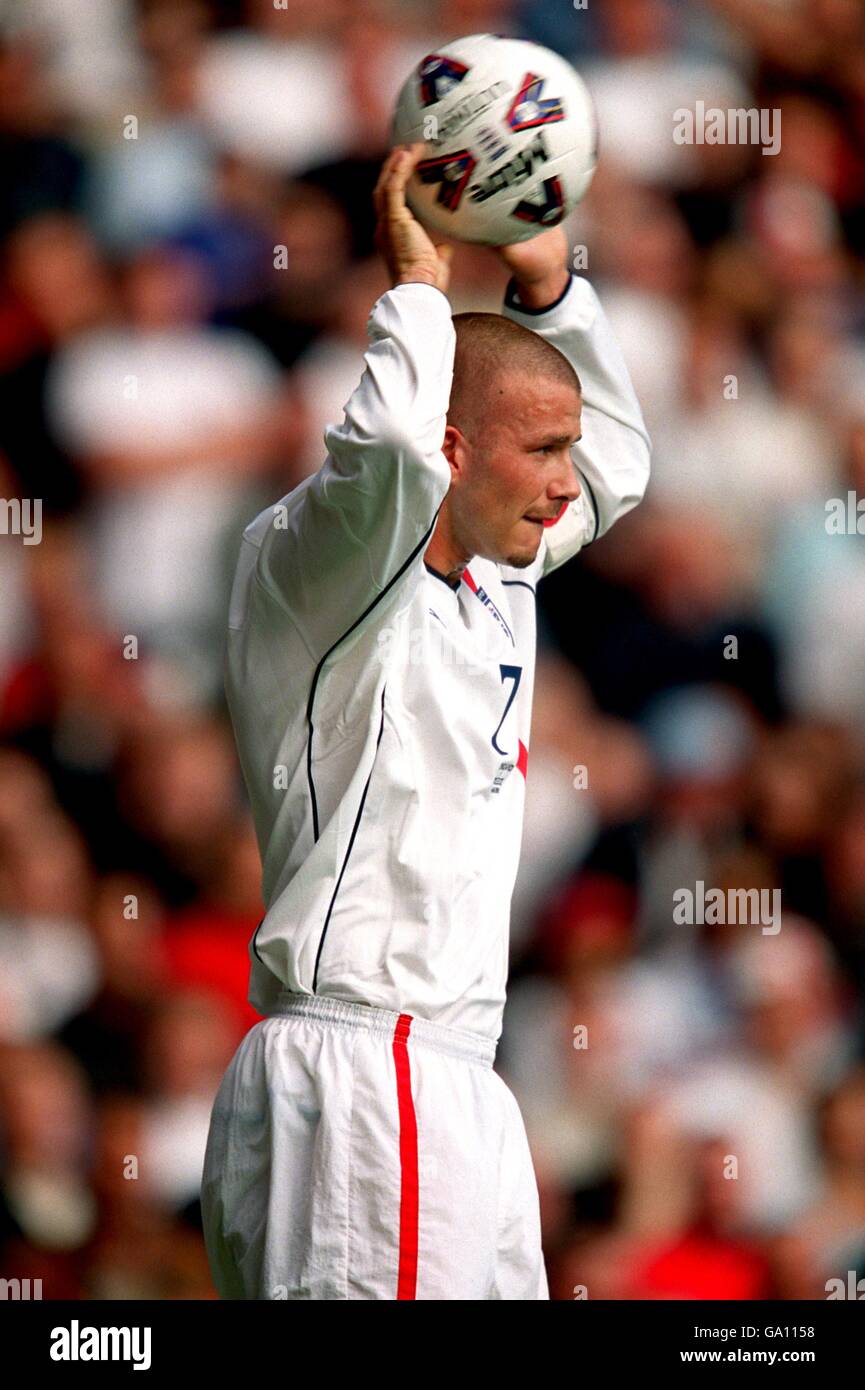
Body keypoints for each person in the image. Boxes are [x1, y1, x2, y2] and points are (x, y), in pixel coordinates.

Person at [200, 144, 651, 1300]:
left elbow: (621, 472)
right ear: (455, 448)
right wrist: (415, 287)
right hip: (366, 1068)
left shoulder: (499, 572)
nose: (567, 479)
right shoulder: (317, 566)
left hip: (446, 1078)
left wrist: (548, 286)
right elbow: (391, 447)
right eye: (540, 449)